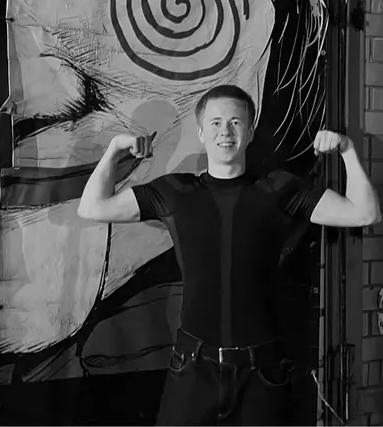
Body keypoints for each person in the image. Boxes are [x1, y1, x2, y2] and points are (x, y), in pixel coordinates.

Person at [79, 83, 380, 426]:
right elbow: (92, 207)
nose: (226, 131)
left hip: (262, 374)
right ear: (201, 133)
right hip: (192, 370)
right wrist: (114, 150)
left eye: (236, 122)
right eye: (216, 122)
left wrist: (347, 150)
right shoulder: (175, 192)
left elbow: (364, 214)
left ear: (250, 132)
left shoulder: (280, 189)